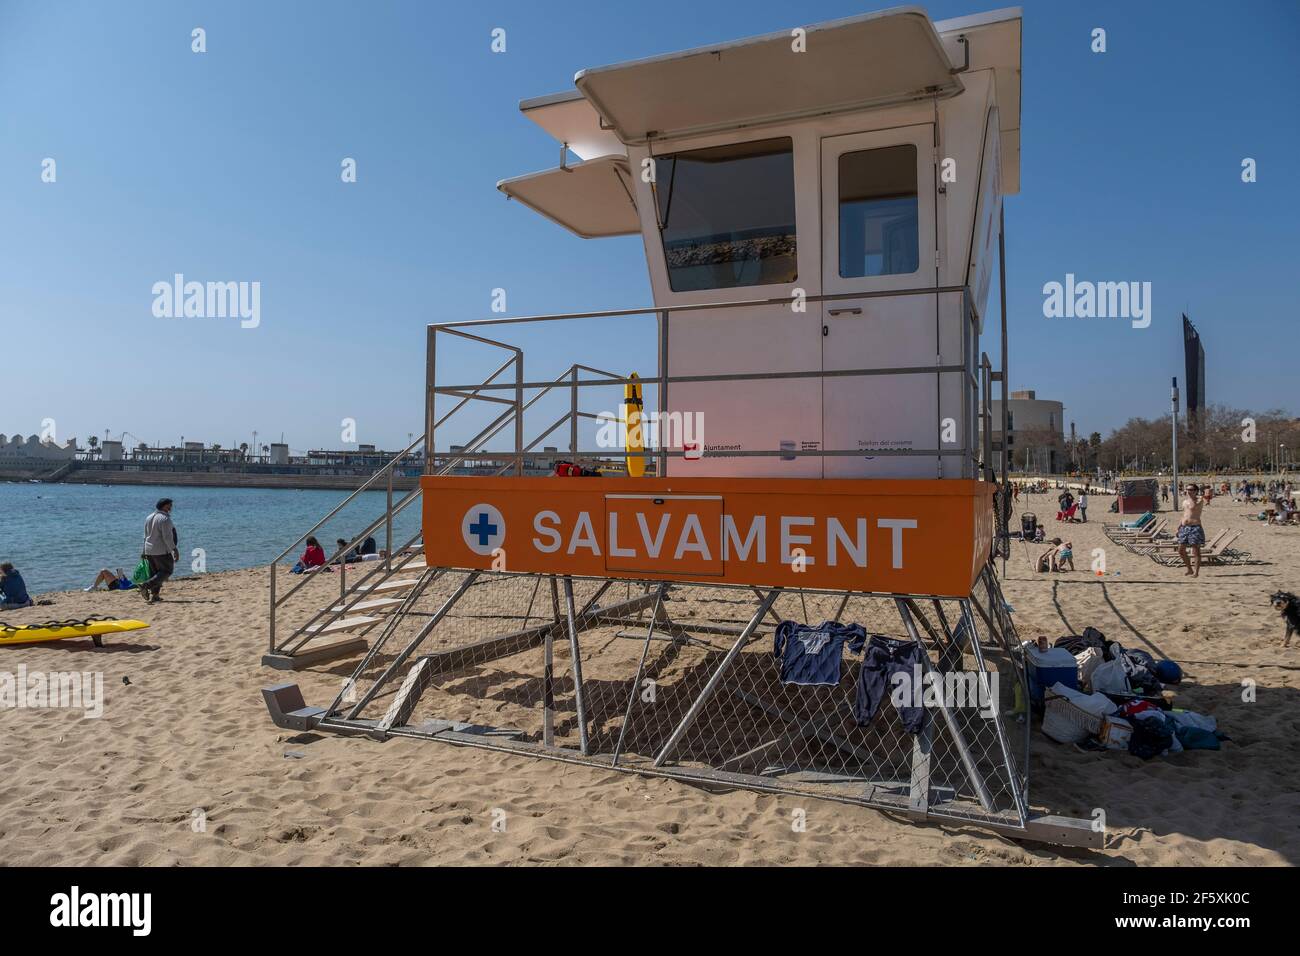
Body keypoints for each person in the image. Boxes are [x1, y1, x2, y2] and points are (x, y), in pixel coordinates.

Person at [140, 498, 180, 604]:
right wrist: (174, 549)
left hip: (149, 550)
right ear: (165, 506)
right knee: (167, 571)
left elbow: (145, 536)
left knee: (155, 573)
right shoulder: (164, 519)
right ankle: (146, 585)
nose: (171, 508)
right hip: (161, 550)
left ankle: (155, 596)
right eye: (170, 505)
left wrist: (143, 551)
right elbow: (167, 537)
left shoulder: (149, 517)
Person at [1177, 483, 1206, 577]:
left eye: (1191, 489)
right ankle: (1189, 569)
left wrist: (1193, 497)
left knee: (1196, 550)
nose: (1188, 491)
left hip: (1195, 527)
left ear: (1196, 491)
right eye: (1187, 489)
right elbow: (1184, 514)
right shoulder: (1185, 502)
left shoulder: (1199, 500)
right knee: (1181, 550)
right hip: (1184, 527)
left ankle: (1196, 572)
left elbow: (1194, 506)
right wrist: (1179, 526)